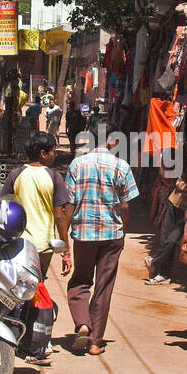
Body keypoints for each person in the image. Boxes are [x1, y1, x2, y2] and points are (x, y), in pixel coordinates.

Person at [65, 132, 139, 355]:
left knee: (80, 280)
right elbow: (125, 206)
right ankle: (96, 342)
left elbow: (69, 204)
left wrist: (65, 236)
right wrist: (123, 231)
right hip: (112, 234)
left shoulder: (77, 165)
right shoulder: (121, 166)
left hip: (84, 234)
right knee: (104, 286)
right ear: (113, 142)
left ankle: (83, 323)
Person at [5, 132, 72, 280]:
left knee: (15, 282)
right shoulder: (55, 177)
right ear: (43, 153)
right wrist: (66, 251)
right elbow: (59, 216)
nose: (55, 154)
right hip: (44, 244)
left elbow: (4, 207)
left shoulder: (15, 174)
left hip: (17, 241)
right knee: (37, 284)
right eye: (53, 150)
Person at [145, 146, 187, 285]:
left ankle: (156, 262)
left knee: (172, 239)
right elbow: (181, 182)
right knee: (167, 238)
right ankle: (162, 273)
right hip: (175, 202)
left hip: (185, 207)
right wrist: (186, 186)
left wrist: (185, 186)